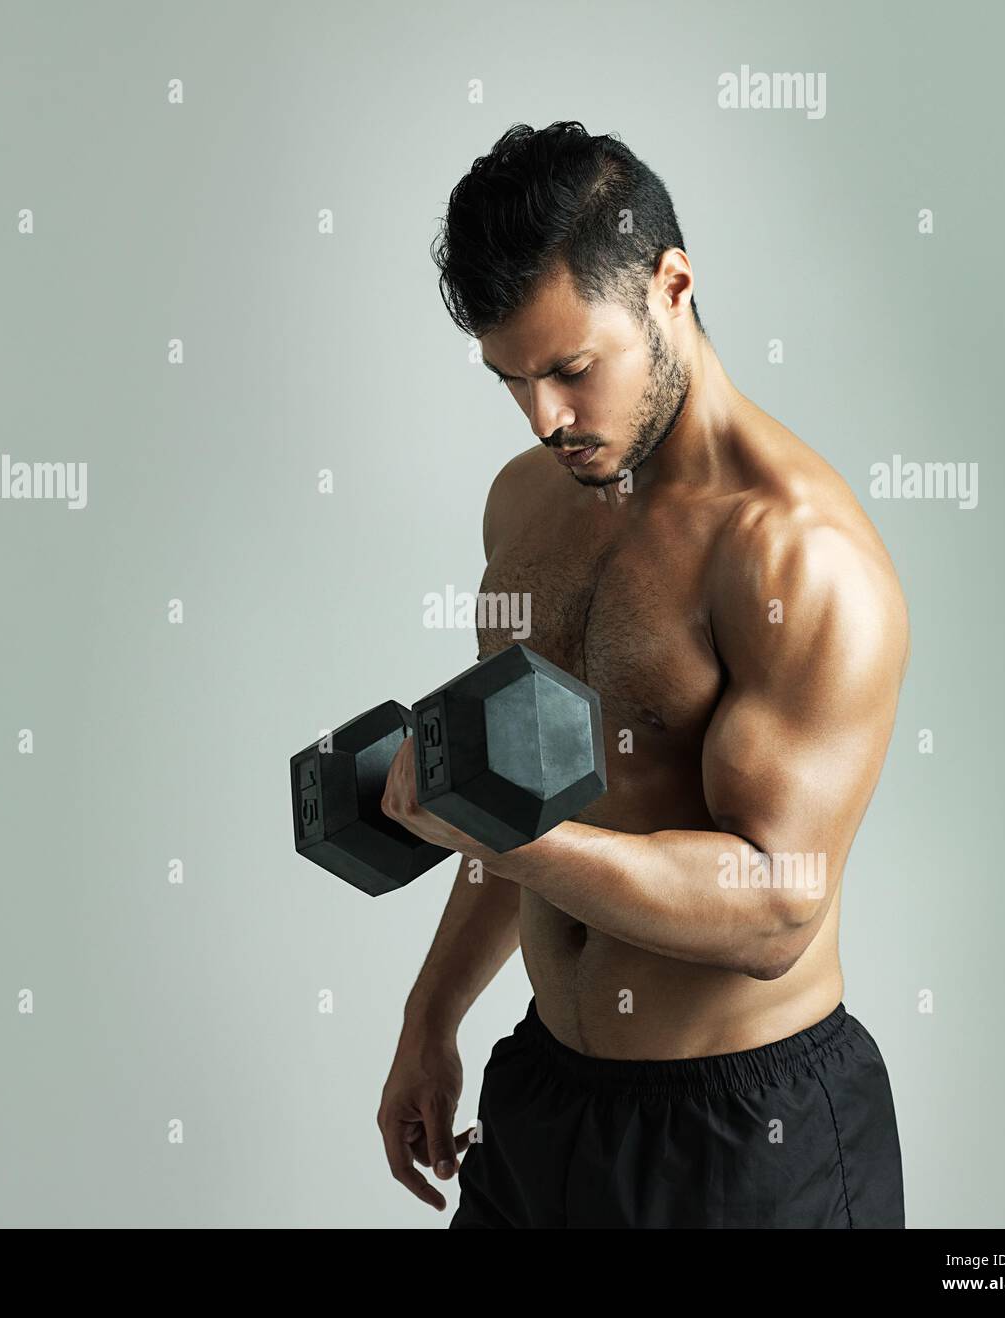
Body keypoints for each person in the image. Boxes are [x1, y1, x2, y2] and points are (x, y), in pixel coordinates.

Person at [376, 121, 909, 1228]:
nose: (544, 419)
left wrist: (503, 836)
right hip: (545, 1101)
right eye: (510, 379)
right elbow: (516, 797)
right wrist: (432, 1016)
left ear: (671, 287)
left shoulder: (797, 556)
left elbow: (774, 910)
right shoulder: (527, 504)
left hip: (745, 1142)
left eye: (572, 370)